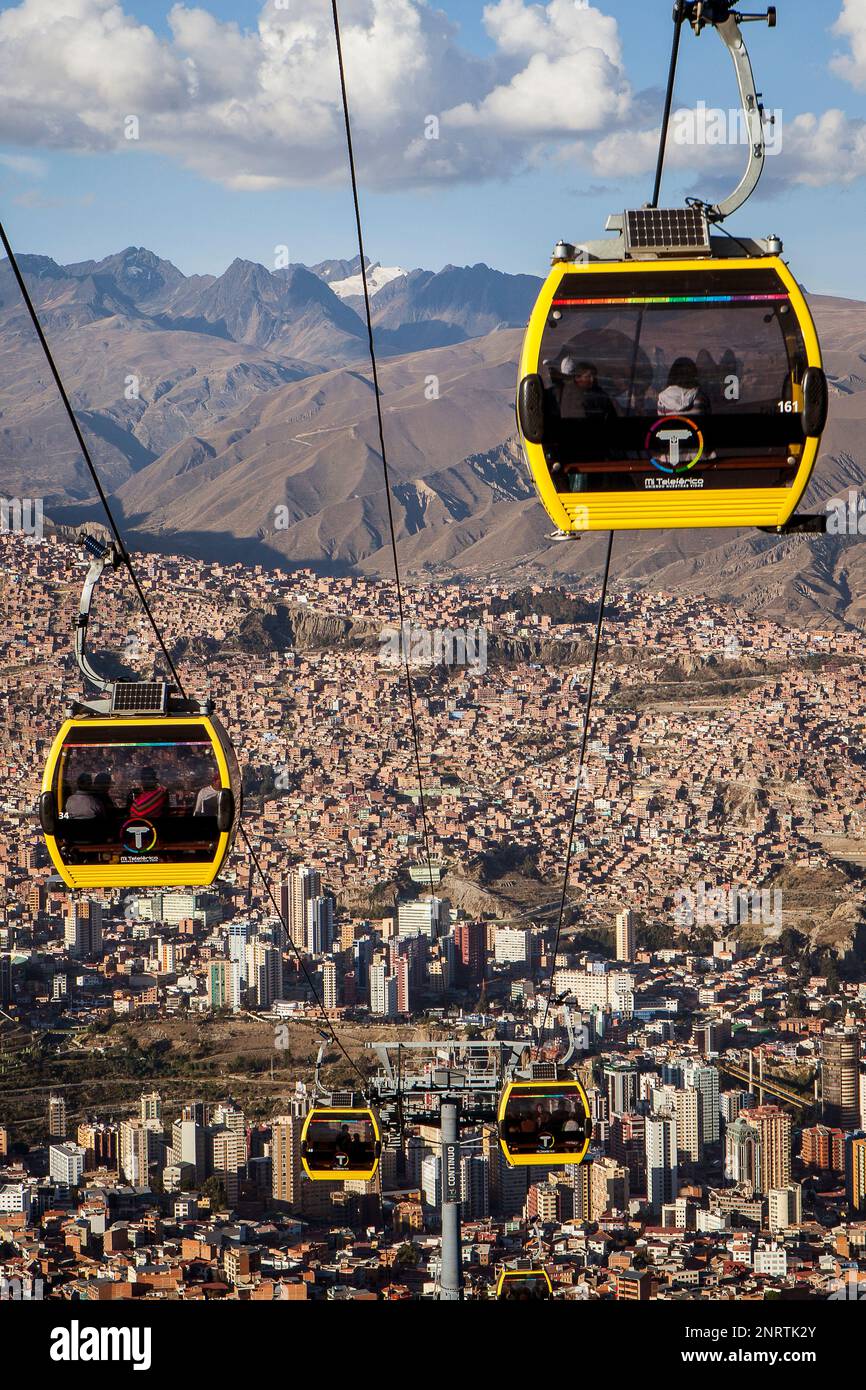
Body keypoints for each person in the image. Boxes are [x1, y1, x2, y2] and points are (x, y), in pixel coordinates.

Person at [555, 358, 617, 492]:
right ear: (578, 378)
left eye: (593, 377)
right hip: (581, 454)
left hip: (596, 452)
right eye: (588, 377)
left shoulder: (597, 394)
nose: (592, 380)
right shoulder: (573, 395)